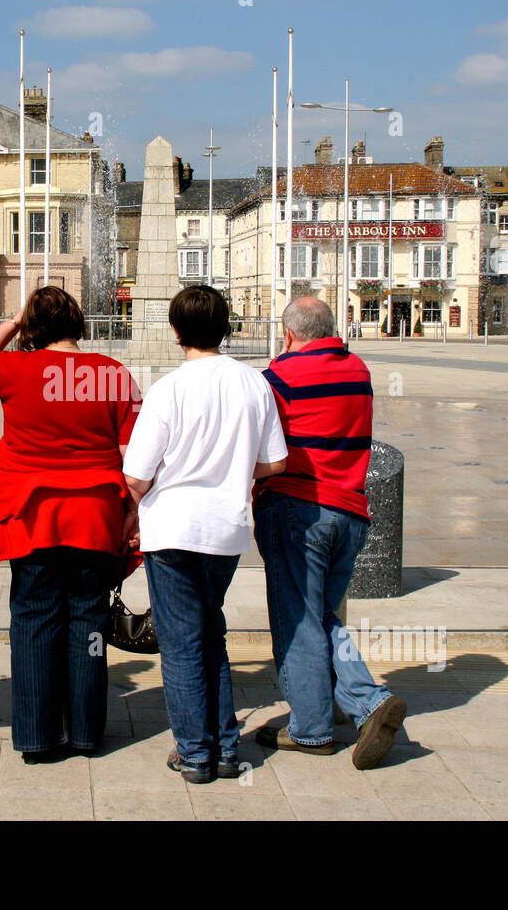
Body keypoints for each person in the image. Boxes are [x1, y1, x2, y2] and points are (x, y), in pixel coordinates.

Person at [0, 286, 140, 764]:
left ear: (32, 327)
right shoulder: (113, 375)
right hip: (96, 515)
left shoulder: (14, 369)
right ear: (79, 322)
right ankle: (85, 734)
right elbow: (133, 456)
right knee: (88, 620)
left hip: (30, 517)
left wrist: (14, 323)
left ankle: (39, 737)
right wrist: (133, 512)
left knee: (35, 620)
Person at [123, 285, 287, 783]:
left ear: (174, 331)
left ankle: (195, 753)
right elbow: (276, 462)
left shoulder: (168, 389)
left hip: (172, 527)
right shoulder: (254, 384)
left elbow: (136, 475)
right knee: (210, 633)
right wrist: (232, 473)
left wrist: (152, 493)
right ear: (227, 327)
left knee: (181, 643)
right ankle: (225, 748)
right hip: (225, 530)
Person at [253, 297, 407, 770]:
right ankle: (364, 703)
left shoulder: (280, 378)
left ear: (289, 334)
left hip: (299, 512)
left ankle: (314, 729)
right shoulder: (357, 369)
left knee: (298, 622)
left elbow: (259, 440)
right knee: (322, 618)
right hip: (351, 513)